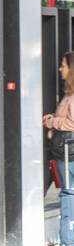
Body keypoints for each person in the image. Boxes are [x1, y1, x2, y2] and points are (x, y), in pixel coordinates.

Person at [43, 50, 74, 192]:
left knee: (68, 191)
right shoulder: (69, 94)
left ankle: (69, 215)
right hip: (65, 151)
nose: (60, 69)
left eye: (63, 65)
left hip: (68, 152)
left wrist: (52, 122)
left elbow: (72, 123)